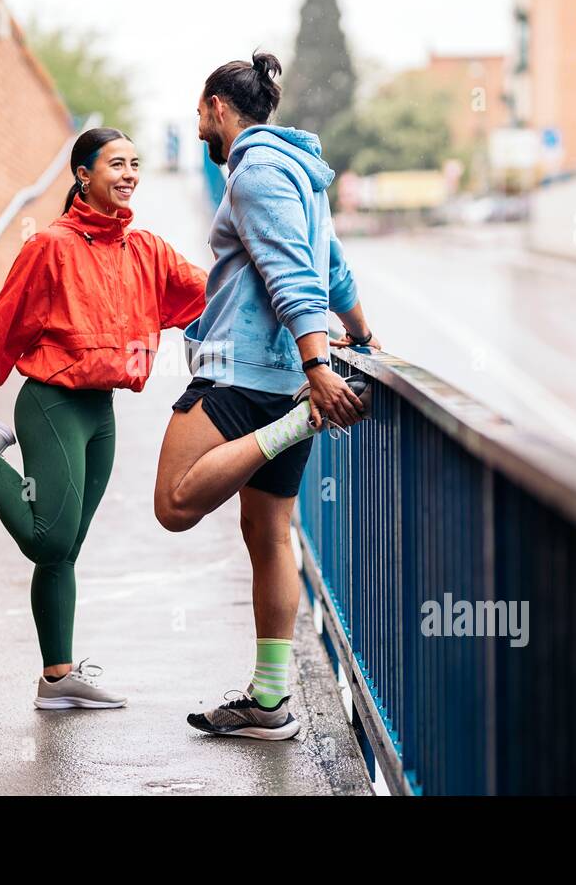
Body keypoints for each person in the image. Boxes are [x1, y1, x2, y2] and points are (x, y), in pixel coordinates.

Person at [0, 127, 207, 710]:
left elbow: (213, 295)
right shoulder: (50, 246)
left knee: (67, 549)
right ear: (83, 174)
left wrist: (299, 321)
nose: (129, 174)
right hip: (51, 405)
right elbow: (1, 327)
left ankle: (57, 678)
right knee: (49, 540)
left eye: (136, 164)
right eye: (116, 164)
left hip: (101, 415)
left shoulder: (146, 250)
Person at [154, 52, 379, 740]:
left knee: (174, 503)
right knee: (268, 533)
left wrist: (318, 365)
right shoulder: (303, 174)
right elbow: (331, 265)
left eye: (200, 113)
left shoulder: (254, 171)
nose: (198, 126)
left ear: (219, 108)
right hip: (281, 378)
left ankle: (292, 426)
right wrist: (362, 337)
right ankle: (270, 700)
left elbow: (290, 273)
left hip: (245, 376)